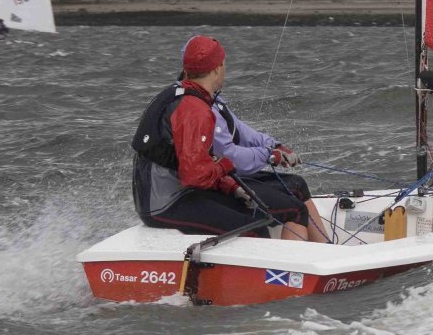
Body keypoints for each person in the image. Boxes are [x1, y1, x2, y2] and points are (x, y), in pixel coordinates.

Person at [180, 36, 331, 244]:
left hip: (223, 175)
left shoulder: (211, 99)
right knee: (295, 211)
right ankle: (289, 271)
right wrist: (268, 156)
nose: (225, 69)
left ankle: (327, 249)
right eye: (224, 64)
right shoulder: (197, 106)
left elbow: (242, 131)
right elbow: (228, 154)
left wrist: (274, 145)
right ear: (216, 69)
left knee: (297, 185)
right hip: (214, 183)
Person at [131, 35, 267, 238]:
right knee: (255, 227)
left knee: (253, 213)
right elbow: (194, 175)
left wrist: (231, 187)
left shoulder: (177, 94)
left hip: (161, 196)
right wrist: (226, 165)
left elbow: (190, 160)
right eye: (224, 64)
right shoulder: (194, 109)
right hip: (164, 205)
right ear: (217, 69)